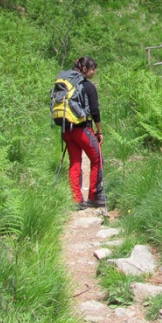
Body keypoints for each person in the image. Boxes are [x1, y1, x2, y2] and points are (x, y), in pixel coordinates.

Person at [60, 56, 105, 209]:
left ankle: (76, 200)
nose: (94, 72)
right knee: (97, 159)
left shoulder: (67, 85)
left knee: (75, 162)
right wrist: (99, 131)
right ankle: (95, 196)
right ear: (85, 69)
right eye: (92, 69)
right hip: (82, 129)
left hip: (66, 130)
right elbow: (94, 111)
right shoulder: (88, 87)